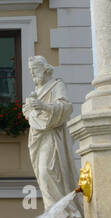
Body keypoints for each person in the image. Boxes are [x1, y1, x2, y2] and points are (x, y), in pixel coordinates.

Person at [22, 56, 79, 206]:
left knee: (47, 172)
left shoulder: (57, 85)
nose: (33, 74)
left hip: (52, 135)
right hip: (37, 136)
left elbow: (66, 108)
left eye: (34, 70)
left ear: (45, 70)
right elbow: (28, 112)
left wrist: (43, 107)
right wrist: (30, 110)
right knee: (42, 176)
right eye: (31, 71)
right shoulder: (36, 90)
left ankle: (63, 211)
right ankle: (52, 211)